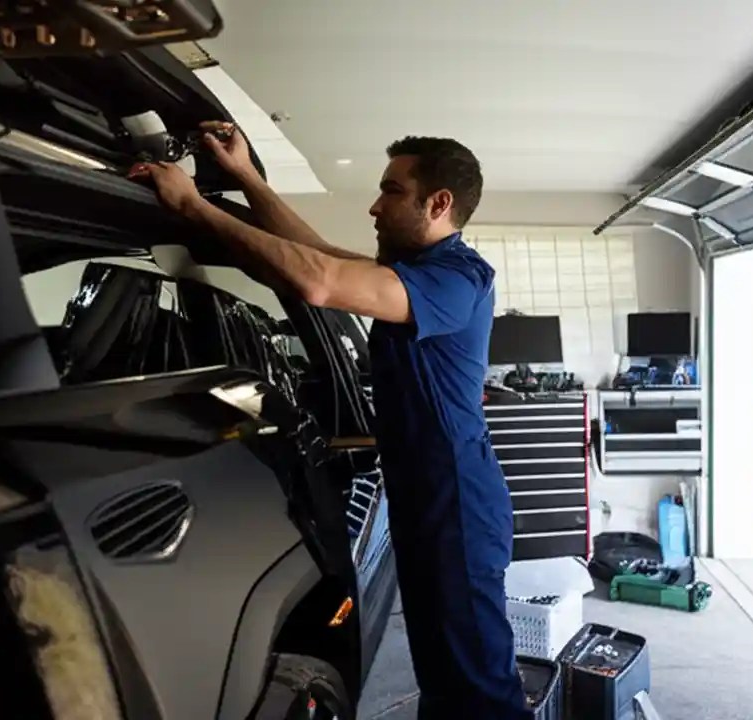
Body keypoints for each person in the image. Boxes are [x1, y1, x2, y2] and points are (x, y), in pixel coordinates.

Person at [134, 124, 532, 719]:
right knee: (446, 677)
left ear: (439, 203)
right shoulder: (418, 273)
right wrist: (244, 177)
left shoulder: (457, 278)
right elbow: (317, 254)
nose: (375, 206)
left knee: (479, 688)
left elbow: (317, 281)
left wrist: (192, 206)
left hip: (458, 507)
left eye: (391, 191)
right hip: (431, 501)